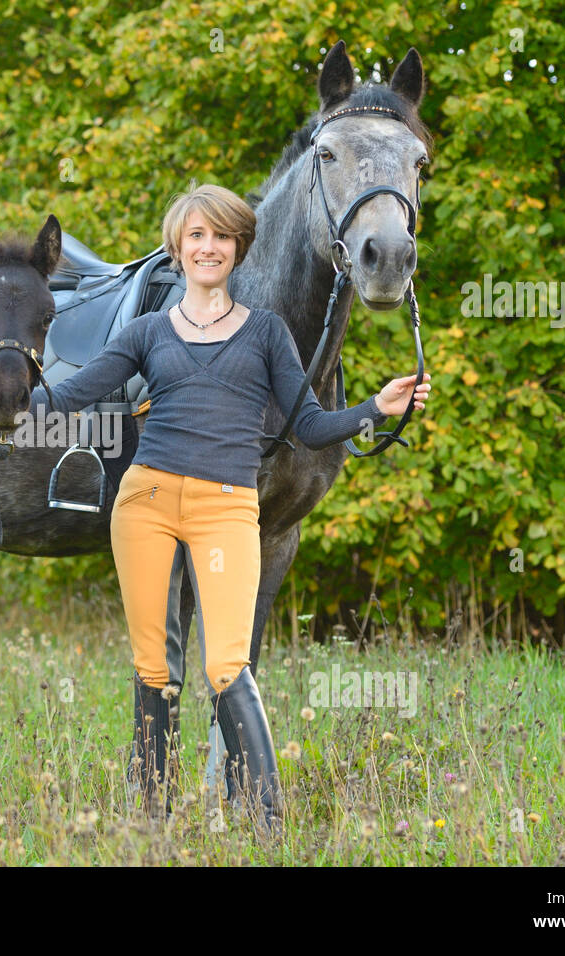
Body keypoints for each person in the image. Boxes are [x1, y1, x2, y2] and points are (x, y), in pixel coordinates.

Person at [32, 183, 432, 832]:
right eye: (196, 236)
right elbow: (71, 396)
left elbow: (308, 422)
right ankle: (152, 819)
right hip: (146, 506)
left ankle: (266, 820)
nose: (208, 248)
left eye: (221, 236)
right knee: (155, 664)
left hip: (224, 508)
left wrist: (373, 409)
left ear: (239, 249)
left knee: (228, 664)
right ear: (178, 248)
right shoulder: (145, 331)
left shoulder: (267, 333)